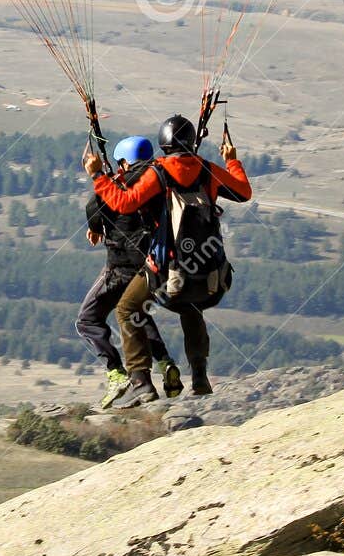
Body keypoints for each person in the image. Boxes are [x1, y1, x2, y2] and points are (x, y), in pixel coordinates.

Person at [84, 113, 252, 408]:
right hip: (209, 272)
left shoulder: (159, 171)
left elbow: (124, 203)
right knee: (190, 306)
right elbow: (243, 192)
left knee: (127, 309)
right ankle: (200, 378)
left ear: (163, 144)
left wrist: (99, 176)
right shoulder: (206, 169)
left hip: (166, 269)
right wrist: (232, 160)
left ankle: (141, 382)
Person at [77, 135, 183, 407]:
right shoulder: (158, 185)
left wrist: (100, 177)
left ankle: (116, 373)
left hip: (120, 268)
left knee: (87, 319)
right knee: (135, 314)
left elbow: (94, 208)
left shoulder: (117, 188)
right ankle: (164, 361)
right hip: (151, 268)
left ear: (123, 162)